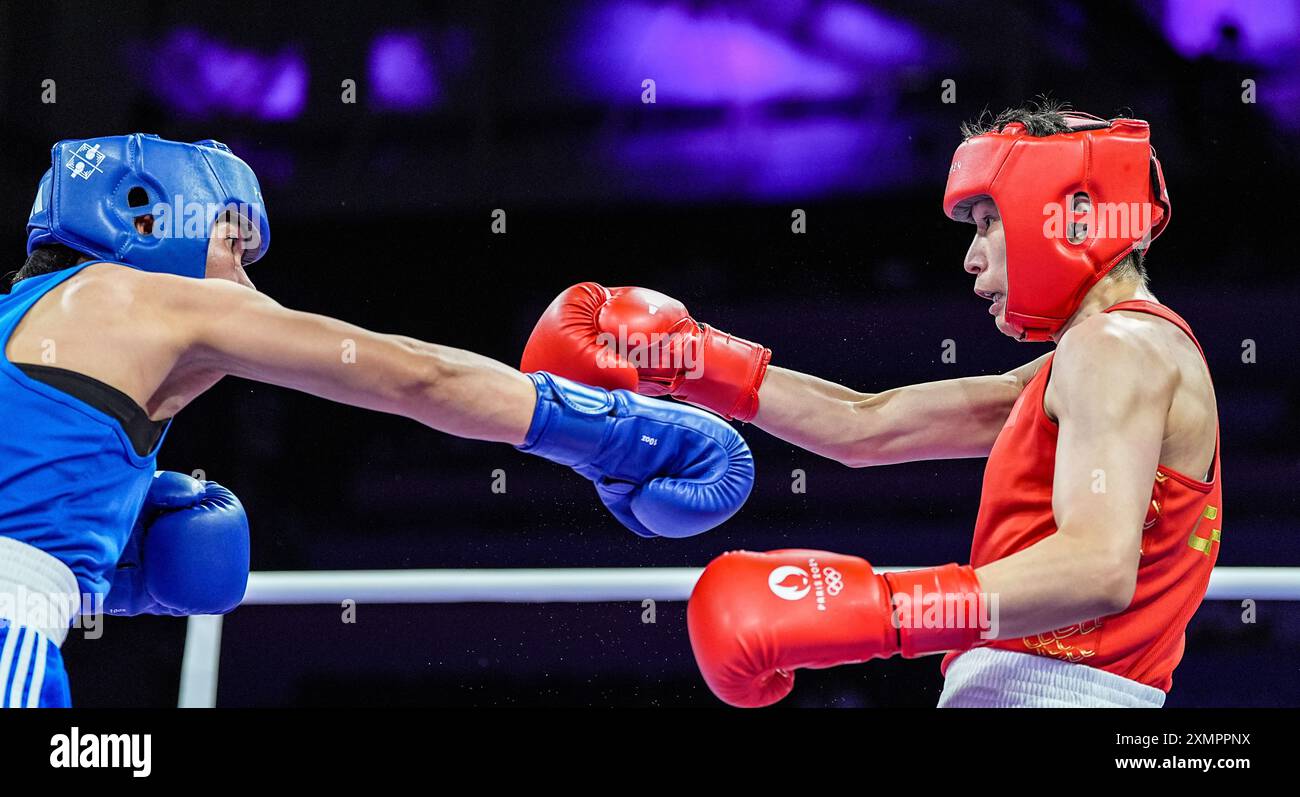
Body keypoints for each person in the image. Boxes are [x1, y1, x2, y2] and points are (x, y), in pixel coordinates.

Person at [0, 133, 754, 707]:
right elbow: (413, 373)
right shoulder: (144, 297)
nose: (245, 281)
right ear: (151, 218)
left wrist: (94, 575)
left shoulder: (26, 323)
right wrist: (614, 430)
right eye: (233, 244)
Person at [521, 102, 1222, 708]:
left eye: (987, 222)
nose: (972, 259)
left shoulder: (1115, 348)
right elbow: (870, 425)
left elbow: (1097, 567)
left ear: (1070, 212)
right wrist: (697, 361)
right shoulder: (1099, 357)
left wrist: (879, 610)